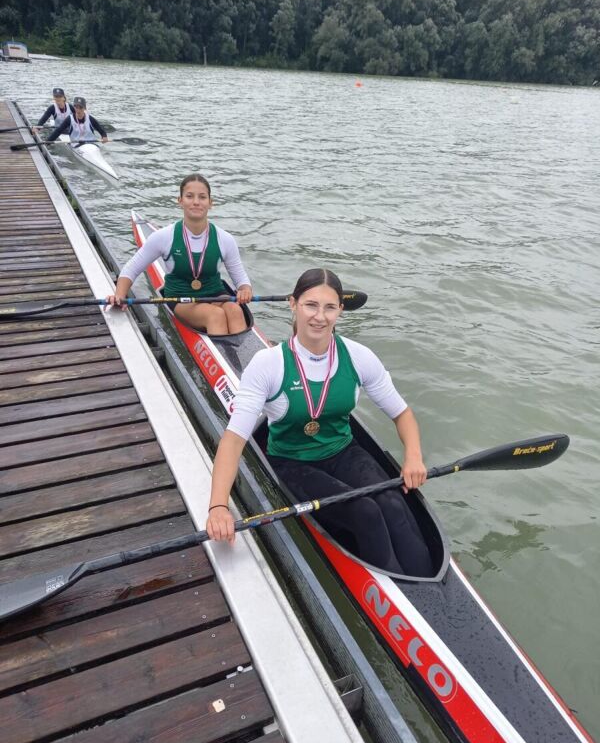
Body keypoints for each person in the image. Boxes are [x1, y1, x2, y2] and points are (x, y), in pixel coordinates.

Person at [206, 267, 434, 577]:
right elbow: (233, 442)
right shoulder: (268, 365)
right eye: (311, 305)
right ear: (293, 305)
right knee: (365, 512)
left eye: (329, 307)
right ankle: (393, 588)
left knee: (393, 503)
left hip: (344, 452)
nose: (320, 317)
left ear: (340, 310)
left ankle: (426, 582)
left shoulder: (358, 356)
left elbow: (402, 414)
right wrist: (218, 506)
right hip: (292, 461)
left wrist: (414, 457)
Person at [107, 173, 252, 335]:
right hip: (181, 299)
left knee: (235, 310)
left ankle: (240, 354)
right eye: (189, 196)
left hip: (215, 295)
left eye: (202, 197)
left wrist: (245, 290)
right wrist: (119, 295)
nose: (196, 202)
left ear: (210, 203)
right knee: (215, 315)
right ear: (180, 201)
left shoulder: (225, 239)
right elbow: (130, 270)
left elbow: (241, 280)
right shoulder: (163, 237)